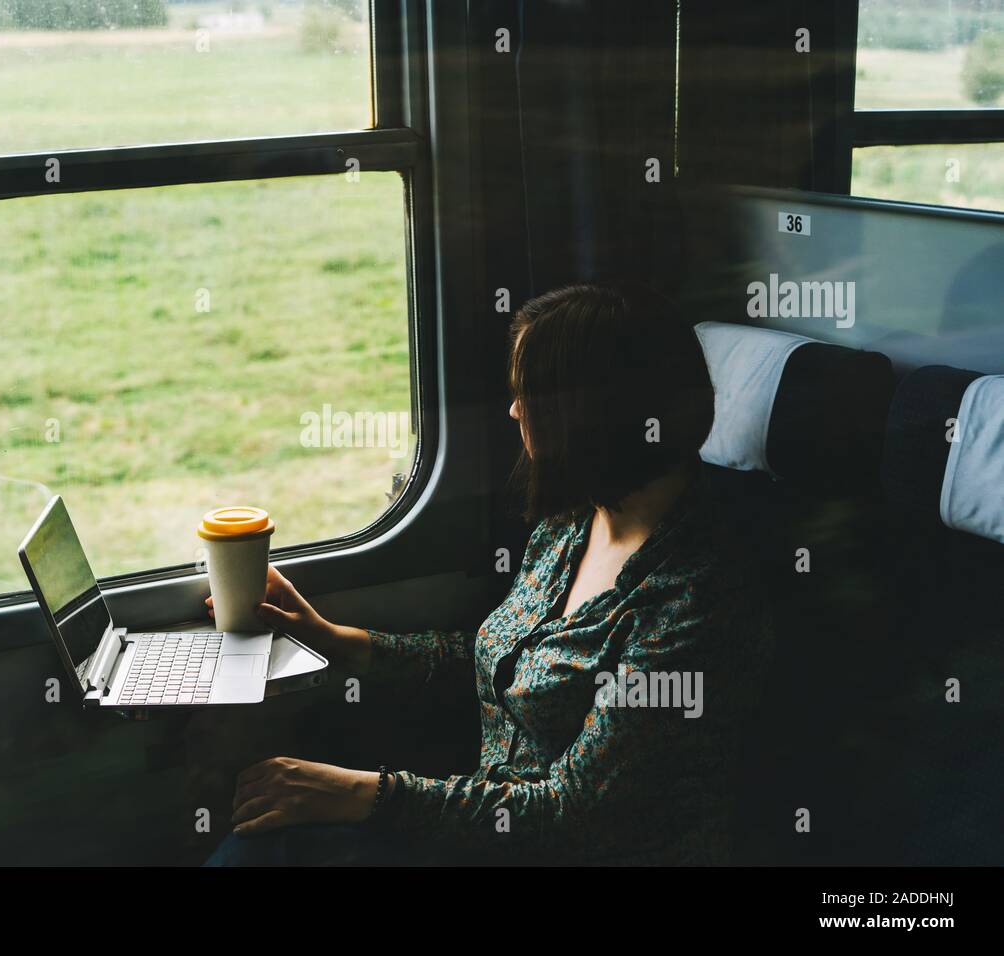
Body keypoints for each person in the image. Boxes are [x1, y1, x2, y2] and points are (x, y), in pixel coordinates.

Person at [205, 283, 774, 866]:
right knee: (257, 844)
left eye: (529, 395)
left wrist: (361, 792)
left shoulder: (698, 601)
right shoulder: (576, 522)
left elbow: (575, 816)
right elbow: (504, 665)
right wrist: (338, 641)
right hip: (488, 828)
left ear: (590, 415)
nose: (514, 410)